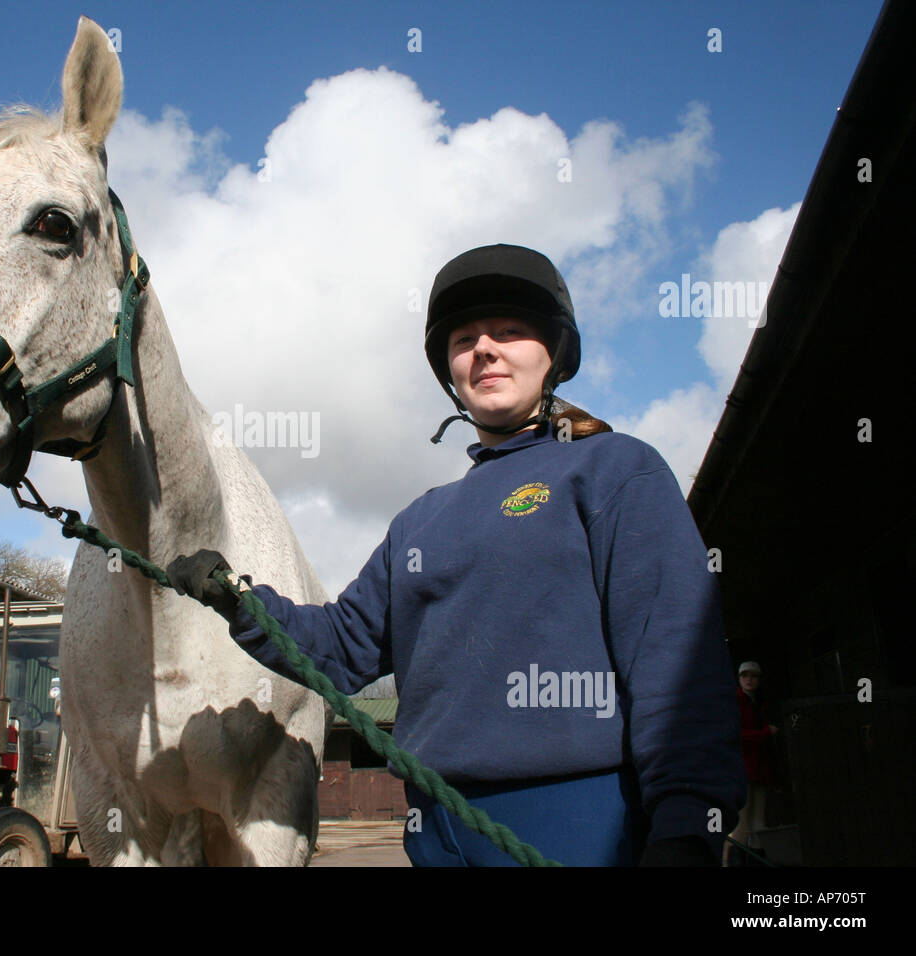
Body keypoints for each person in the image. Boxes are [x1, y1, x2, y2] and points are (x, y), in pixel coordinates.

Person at [169, 244, 746, 866]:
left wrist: (687, 822)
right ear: (450, 371)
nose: (485, 349)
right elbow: (340, 649)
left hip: (581, 816)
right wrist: (239, 600)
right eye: (464, 339)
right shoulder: (420, 519)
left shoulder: (615, 470)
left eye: (510, 331)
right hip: (436, 825)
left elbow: (674, 655)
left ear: (552, 354)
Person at [725, 660, 777, 865]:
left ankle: (755, 863)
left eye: (753, 676)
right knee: (742, 823)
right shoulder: (736, 701)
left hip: (758, 770)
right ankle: (729, 862)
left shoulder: (758, 703)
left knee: (758, 823)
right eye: (745, 675)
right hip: (743, 769)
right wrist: (765, 733)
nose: (749, 679)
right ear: (739, 678)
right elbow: (735, 734)